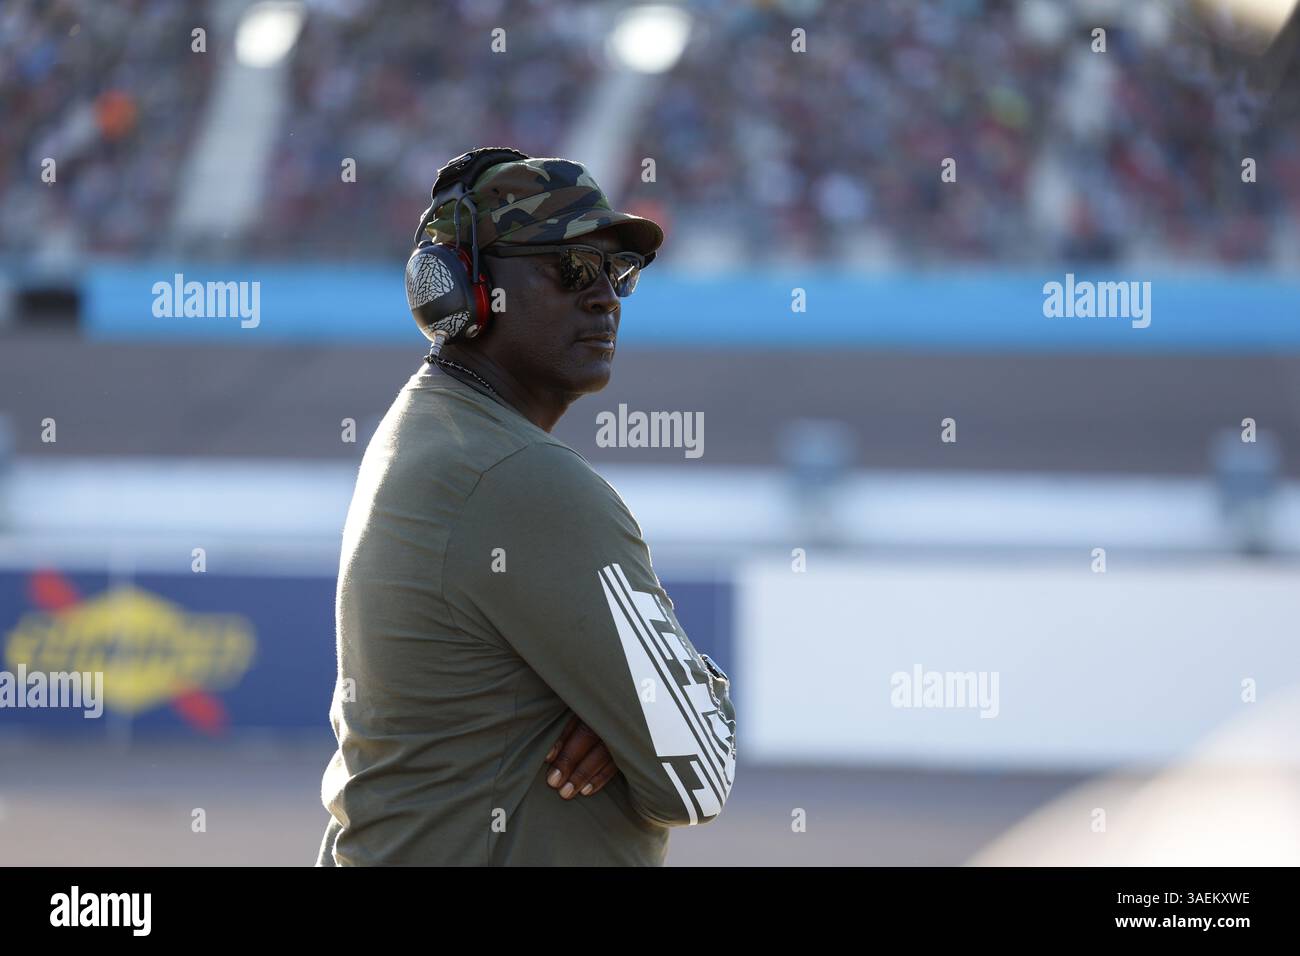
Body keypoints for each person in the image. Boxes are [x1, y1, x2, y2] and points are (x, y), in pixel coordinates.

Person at [316, 149, 737, 865]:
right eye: (572, 269)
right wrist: (652, 706)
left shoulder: (428, 433)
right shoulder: (521, 478)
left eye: (618, 272)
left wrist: (632, 712)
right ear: (463, 290)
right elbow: (696, 771)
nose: (606, 297)